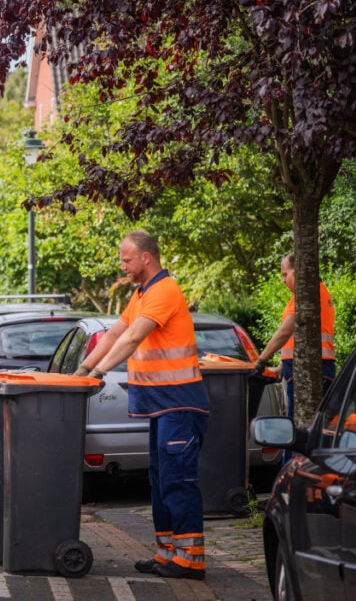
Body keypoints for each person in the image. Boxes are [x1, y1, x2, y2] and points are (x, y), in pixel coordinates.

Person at [74, 230, 209, 581]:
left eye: (127, 259)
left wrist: (99, 372)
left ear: (146, 258)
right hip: (162, 405)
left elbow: (134, 337)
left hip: (179, 404)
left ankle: (190, 560)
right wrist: (84, 369)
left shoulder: (164, 291)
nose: (122, 266)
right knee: (161, 481)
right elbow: (115, 334)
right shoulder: (142, 294)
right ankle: (168, 553)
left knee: (177, 480)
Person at [252, 253, 335, 418]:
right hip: (315, 368)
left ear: (299, 271)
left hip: (309, 370)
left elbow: (285, 332)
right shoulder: (316, 292)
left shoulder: (308, 295)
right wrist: (281, 368)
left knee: (299, 424)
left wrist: (260, 361)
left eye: (285, 274)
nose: (283, 280)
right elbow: (300, 337)